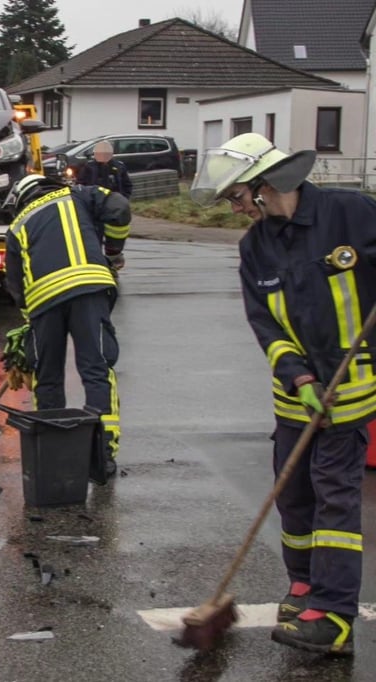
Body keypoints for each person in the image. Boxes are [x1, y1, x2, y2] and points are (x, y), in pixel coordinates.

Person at [190, 132, 376, 656]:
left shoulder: (352, 214)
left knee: (334, 498)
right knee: (293, 494)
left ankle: (335, 615)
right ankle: (303, 586)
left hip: (350, 388)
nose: (235, 208)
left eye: (237, 197)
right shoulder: (257, 246)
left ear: (266, 183)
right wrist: (298, 377)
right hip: (297, 393)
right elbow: (265, 324)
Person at [3, 173, 131, 477]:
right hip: (89, 291)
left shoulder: (17, 225)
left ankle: (55, 453)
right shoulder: (81, 195)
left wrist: (28, 324)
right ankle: (102, 454)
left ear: (22, 198)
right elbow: (120, 208)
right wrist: (112, 251)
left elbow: (16, 285)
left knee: (47, 378)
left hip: (43, 303)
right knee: (96, 370)